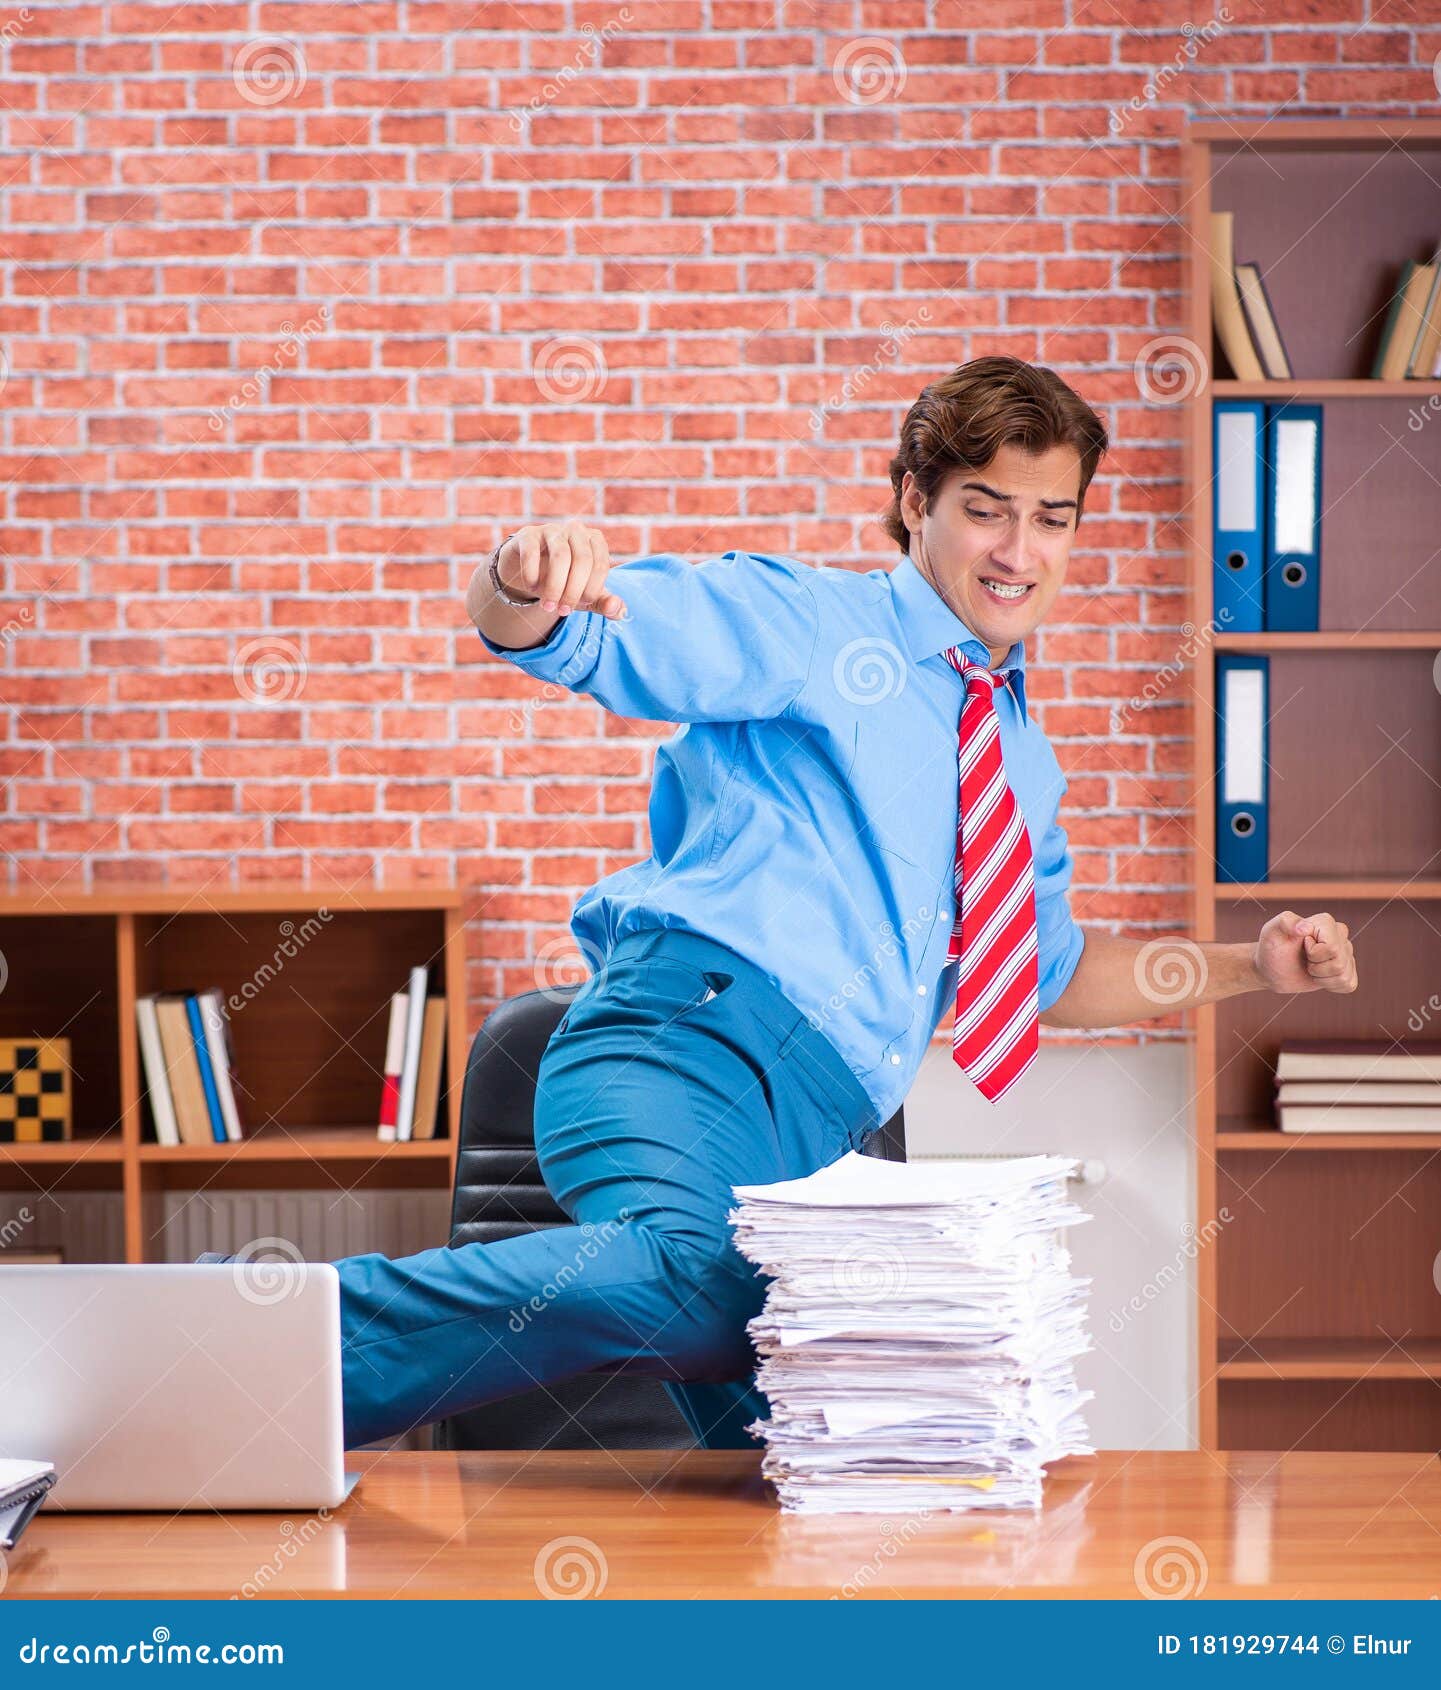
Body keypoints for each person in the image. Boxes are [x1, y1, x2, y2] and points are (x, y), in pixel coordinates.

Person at [327, 355, 1359, 1449]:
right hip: (687, 1046)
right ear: (917, 503)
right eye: (985, 510)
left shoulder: (1017, 758)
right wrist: (519, 579)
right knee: (723, 1287)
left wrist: (1253, 966)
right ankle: (296, 1344)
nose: (1019, 551)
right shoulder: (814, 626)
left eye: (1051, 519)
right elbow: (578, 633)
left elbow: (1043, 971)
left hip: (825, 1133)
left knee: (847, 1451)